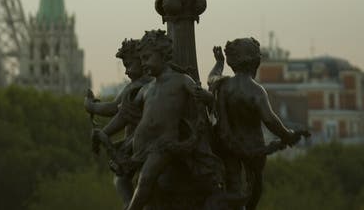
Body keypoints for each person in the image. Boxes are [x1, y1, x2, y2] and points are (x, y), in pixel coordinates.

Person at [124, 30, 224, 210]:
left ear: (162, 54)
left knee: (145, 181)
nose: (144, 63)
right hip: (142, 146)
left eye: (147, 57)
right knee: (140, 183)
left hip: (164, 144)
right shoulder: (146, 88)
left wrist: (207, 97)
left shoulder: (181, 80)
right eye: (142, 59)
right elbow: (124, 112)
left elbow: (203, 97)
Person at [207, 39, 308, 210]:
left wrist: (218, 63)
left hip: (228, 144)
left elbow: (211, 78)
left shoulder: (224, 85)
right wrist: (287, 135)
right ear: (256, 62)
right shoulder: (256, 91)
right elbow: (270, 120)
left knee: (233, 183)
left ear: (232, 62)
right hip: (252, 146)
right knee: (255, 185)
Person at [85, 38, 151, 205]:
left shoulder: (135, 88)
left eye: (129, 65)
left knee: (121, 180)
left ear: (141, 60)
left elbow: (114, 109)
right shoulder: (149, 84)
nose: (127, 72)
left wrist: (90, 106)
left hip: (138, 144)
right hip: (140, 141)